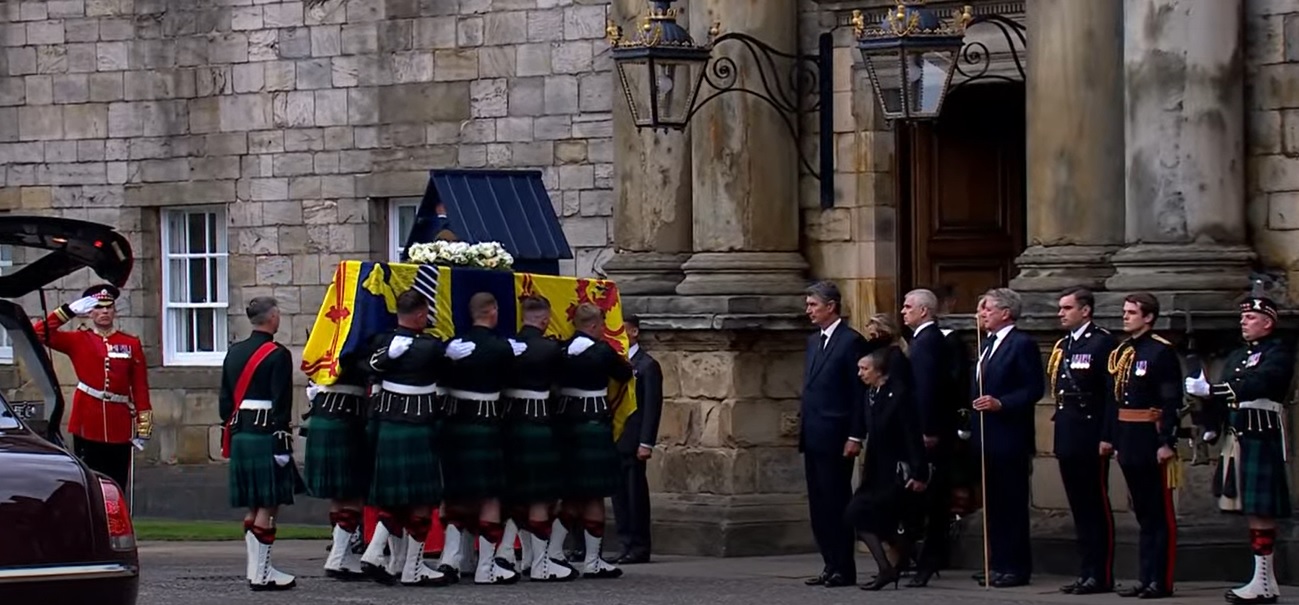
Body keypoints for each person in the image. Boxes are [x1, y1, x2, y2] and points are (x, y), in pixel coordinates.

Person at [1185, 295, 1292, 604]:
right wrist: (1210, 424)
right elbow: (1226, 396)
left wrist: (1213, 389)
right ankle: (1263, 581)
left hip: (1262, 435)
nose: (1243, 322)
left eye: (1250, 318)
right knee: (1250, 509)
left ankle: (1263, 581)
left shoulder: (1278, 352)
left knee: (1261, 510)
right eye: (1242, 317)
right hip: (1240, 437)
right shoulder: (1237, 355)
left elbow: (1259, 383)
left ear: (1267, 323)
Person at [355, 290, 449, 587]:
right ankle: (413, 568)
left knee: (395, 496)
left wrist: (384, 356)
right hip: (418, 426)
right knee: (422, 498)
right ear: (420, 314)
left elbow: (363, 365)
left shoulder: (382, 342)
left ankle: (374, 553)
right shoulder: (429, 347)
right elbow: (449, 371)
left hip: (388, 426)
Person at [33, 284, 152, 494]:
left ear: (114, 310)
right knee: (90, 482)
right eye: (98, 307)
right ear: (89, 312)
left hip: (118, 423)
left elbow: (140, 385)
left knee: (116, 482)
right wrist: (68, 311)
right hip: (87, 420)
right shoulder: (78, 340)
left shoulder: (130, 343)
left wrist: (144, 424)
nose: (104, 311)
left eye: (108, 307)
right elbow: (39, 333)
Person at [1104, 292, 1181, 599]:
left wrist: (1167, 441)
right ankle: (1145, 576)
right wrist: (1115, 439)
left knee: (1157, 512)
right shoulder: (1124, 351)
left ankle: (1160, 580)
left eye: (1132, 312)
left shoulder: (1161, 351)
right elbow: (1116, 399)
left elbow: (1171, 400)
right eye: (1124, 311)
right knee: (1142, 512)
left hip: (1150, 436)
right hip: (1129, 436)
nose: (1125, 316)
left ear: (1148, 317)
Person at [219, 297, 299, 591]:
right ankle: (262, 574)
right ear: (273, 317)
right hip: (267, 434)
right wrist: (282, 441)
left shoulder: (234, 352)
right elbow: (281, 402)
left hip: (241, 433)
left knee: (254, 505)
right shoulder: (278, 354)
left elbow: (225, 401)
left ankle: (256, 569)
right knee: (268, 503)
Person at [549, 302, 635, 579]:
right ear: (595, 325)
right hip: (593, 424)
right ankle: (592, 560)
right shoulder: (601, 351)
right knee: (595, 494)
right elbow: (624, 373)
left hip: (566, 424)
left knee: (571, 494)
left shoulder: (561, 350)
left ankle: (554, 552)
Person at [439, 292, 519, 585]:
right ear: (493, 311)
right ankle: (486, 567)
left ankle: (451, 560)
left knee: (455, 493)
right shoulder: (500, 348)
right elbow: (512, 382)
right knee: (490, 496)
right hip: (487, 424)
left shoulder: (454, 346)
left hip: (456, 425)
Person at [970, 287, 1044, 588]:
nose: (981, 314)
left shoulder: (1021, 344)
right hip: (986, 435)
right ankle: (997, 563)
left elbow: (1033, 388)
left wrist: (1002, 403)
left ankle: (1015, 566)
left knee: (1011, 504)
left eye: (987, 308)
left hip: (1010, 436)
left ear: (1006, 312)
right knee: (994, 504)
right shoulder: (987, 343)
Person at [497, 295, 574, 581]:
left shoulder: (506, 347)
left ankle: (507, 552)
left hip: (509, 424)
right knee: (541, 495)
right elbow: (563, 381)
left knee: (516, 492)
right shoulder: (550, 348)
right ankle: (540, 563)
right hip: (538, 423)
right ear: (544, 319)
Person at [799, 280, 869, 588]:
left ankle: (844, 566)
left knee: (836, 501)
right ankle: (829, 562)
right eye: (808, 305)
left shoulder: (851, 341)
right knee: (818, 505)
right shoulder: (814, 341)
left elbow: (858, 393)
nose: (808, 310)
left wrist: (855, 435)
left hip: (837, 434)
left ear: (831, 306)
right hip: (813, 433)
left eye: (813, 305)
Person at [1050, 287, 1118, 595]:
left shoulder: (1102, 342)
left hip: (1091, 432)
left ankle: (1101, 573)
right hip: (1068, 431)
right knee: (1078, 505)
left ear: (1085, 310)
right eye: (1061, 308)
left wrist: (1107, 435)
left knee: (1095, 505)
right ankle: (1086, 570)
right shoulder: (1064, 344)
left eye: (1067, 308)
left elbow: (1110, 394)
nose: (1061, 313)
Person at [844, 347, 929, 591]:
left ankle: (891, 567)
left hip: (895, 469)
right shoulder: (871, 394)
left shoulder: (900, 395)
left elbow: (912, 436)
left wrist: (919, 473)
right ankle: (905, 559)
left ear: (880, 371)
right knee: (864, 517)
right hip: (876, 467)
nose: (860, 373)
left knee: (860, 514)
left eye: (865, 369)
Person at [898, 288, 960, 587]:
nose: (903, 311)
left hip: (929, 433)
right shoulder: (922, 339)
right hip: (927, 429)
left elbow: (926, 389)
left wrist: (926, 430)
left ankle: (928, 560)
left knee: (930, 500)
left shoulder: (927, 341)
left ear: (924, 311)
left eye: (908, 306)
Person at [303, 347, 371, 581]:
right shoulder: (354, 349)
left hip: (322, 414)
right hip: (347, 418)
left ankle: (345, 556)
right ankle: (337, 557)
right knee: (353, 494)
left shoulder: (325, 346)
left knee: (338, 496)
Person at [612, 314, 663, 565]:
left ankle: (639, 545)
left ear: (634, 332)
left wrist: (646, 442)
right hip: (617, 438)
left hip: (634, 440)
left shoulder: (647, 365)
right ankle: (625, 543)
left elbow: (652, 406)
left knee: (635, 496)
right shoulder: (615, 364)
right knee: (619, 496)